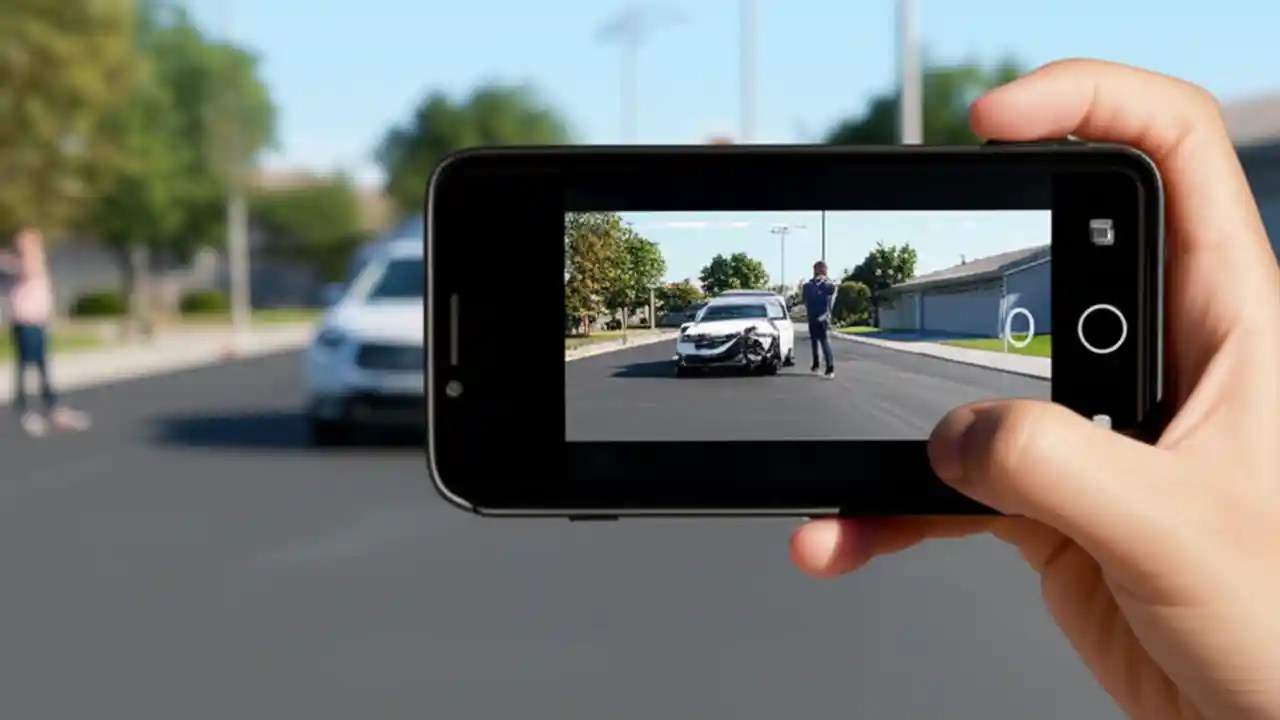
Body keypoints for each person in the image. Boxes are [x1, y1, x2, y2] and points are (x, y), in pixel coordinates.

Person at [789, 59, 1280, 720]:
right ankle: (822, 358)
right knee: (820, 344)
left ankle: (823, 361)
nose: (820, 272)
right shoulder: (815, 290)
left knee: (823, 352)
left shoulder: (827, 284)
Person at [0, 227, 90, 436]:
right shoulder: (18, 266)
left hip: (39, 322)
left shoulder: (36, 265)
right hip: (24, 322)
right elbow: (21, 269)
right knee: (26, 366)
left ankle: (53, 408)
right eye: (30, 245)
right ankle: (26, 411)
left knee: (42, 366)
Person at [801, 260, 837, 378]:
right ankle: (816, 364)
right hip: (812, 315)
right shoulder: (808, 285)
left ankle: (830, 367)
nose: (821, 271)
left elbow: (830, 301)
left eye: (823, 269)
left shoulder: (829, 285)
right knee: (814, 341)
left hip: (823, 316)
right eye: (818, 269)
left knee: (824, 341)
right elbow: (805, 300)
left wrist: (826, 315)